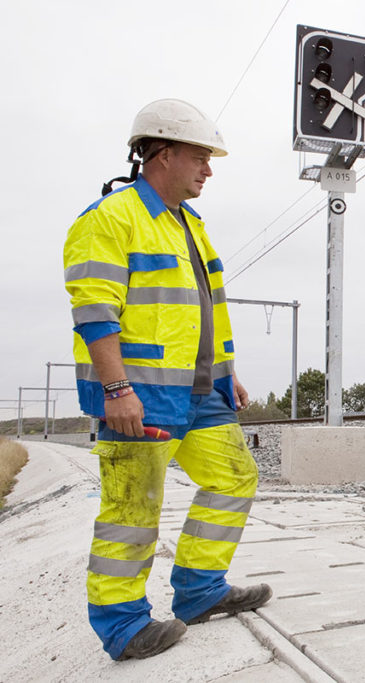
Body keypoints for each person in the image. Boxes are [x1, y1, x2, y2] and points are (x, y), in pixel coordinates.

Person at [63, 99, 272, 660]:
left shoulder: (190, 226)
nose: (208, 170)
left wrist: (227, 373)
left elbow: (202, 310)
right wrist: (116, 389)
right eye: (200, 157)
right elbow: (94, 312)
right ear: (162, 154)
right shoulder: (110, 218)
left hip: (202, 392)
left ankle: (200, 590)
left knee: (234, 478)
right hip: (140, 394)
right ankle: (122, 626)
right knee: (132, 509)